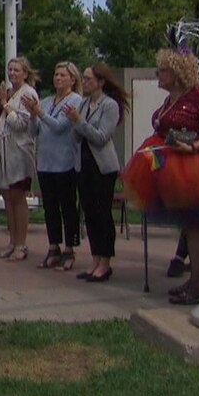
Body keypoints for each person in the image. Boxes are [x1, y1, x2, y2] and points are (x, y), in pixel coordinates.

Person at [123, 48, 199, 305]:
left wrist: (195, 146)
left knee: (196, 222)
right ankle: (196, 278)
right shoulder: (171, 99)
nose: (157, 75)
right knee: (188, 224)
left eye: (161, 70)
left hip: (193, 165)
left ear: (176, 72)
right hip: (169, 164)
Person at [64, 63, 128, 282]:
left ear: (101, 81)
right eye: (85, 78)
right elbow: (77, 133)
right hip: (83, 164)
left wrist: (79, 122)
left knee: (102, 214)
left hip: (102, 166)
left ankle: (105, 262)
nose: (86, 81)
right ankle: (94, 259)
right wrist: (76, 124)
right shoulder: (82, 103)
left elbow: (101, 136)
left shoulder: (109, 106)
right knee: (89, 213)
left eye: (90, 78)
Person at [24, 61, 83, 271]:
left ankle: (70, 248)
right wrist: (33, 115)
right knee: (50, 208)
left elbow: (59, 127)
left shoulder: (76, 101)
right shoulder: (47, 101)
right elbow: (34, 131)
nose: (58, 78)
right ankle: (53, 246)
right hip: (46, 162)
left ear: (72, 80)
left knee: (67, 207)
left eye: (63, 75)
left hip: (65, 162)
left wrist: (39, 112)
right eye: (56, 75)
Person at [0, 57, 39, 262]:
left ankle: (21, 243)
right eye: (10, 70)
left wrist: (6, 105)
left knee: (17, 197)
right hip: (2, 153)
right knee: (6, 198)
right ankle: (11, 240)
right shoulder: (7, 93)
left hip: (18, 153)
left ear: (25, 73)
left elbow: (20, 124)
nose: (12, 73)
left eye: (17, 70)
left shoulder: (28, 94)